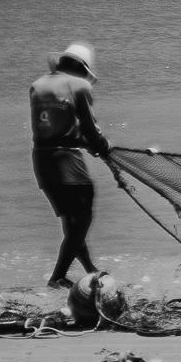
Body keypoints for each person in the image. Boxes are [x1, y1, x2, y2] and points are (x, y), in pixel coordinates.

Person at [29, 42, 111, 286]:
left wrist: (87, 143)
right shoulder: (80, 86)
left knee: (71, 220)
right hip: (66, 159)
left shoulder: (37, 85)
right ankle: (57, 277)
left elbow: (55, 128)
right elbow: (89, 130)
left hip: (41, 159)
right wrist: (103, 148)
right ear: (79, 67)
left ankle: (89, 269)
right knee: (82, 217)